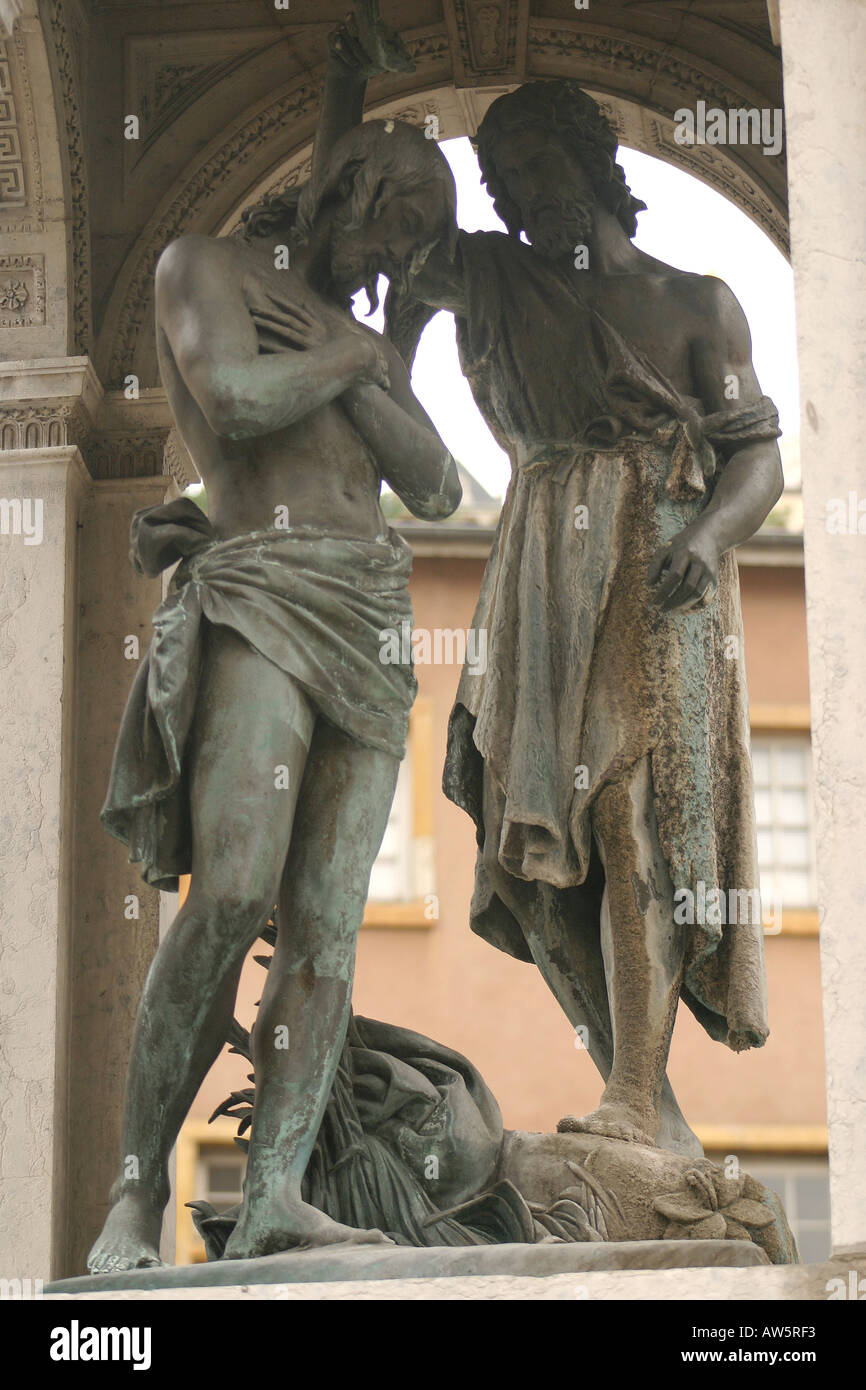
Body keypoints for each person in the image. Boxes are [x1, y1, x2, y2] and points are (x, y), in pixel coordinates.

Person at [317, 33, 783, 1157]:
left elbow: (754, 458)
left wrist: (712, 535)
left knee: (633, 822)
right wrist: (344, 87)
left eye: (536, 176)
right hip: (538, 564)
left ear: (587, 161)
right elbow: (353, 218)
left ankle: (632, 1085)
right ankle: (644, 1100)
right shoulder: (486, 272)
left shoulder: (696, 303)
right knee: (535, 850)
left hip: (661, 570)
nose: (523, 207)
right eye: (506, 188)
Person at [87, 118, 461, 1272]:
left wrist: (361, 355)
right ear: (351, 186)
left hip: (368, 615)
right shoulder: (201, 264)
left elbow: (438, 484)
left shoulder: (350, 329)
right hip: (259, 586)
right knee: (234, 884)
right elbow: (237, 403)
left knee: (325, 933)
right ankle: (132, 1197)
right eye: (404, 218)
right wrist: (352, 359)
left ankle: (277, 1194)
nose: (404, 253)